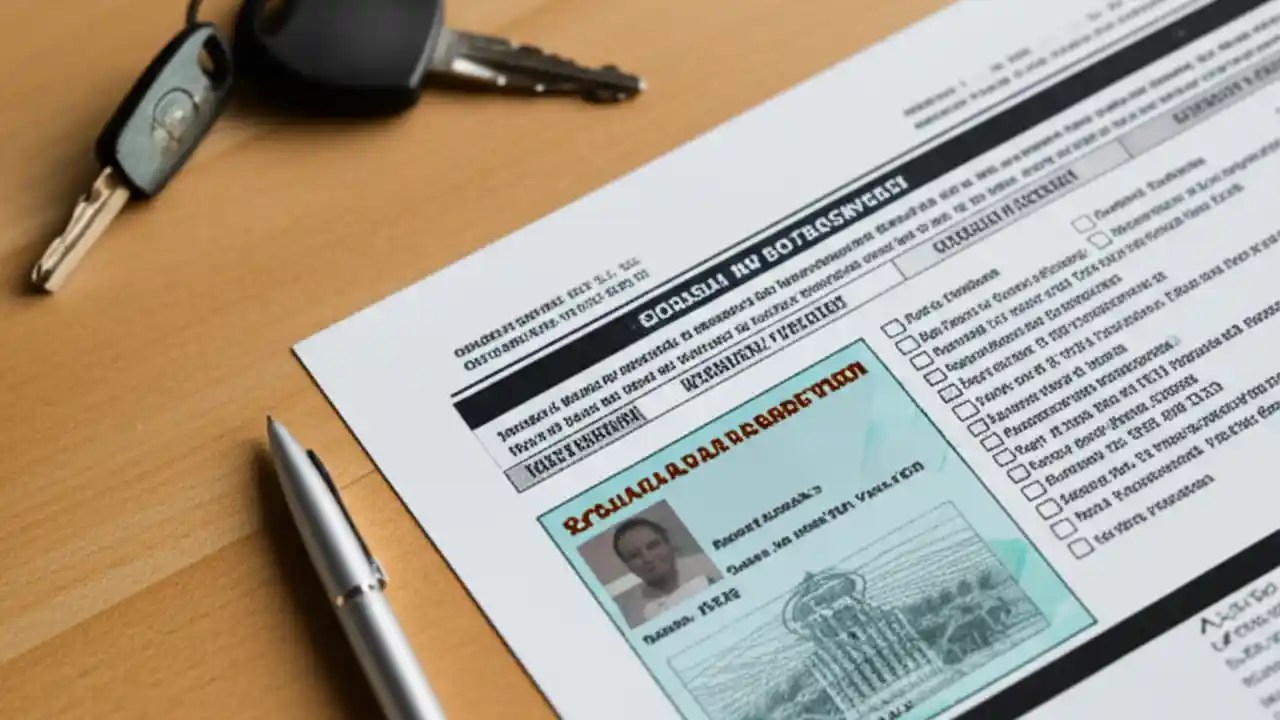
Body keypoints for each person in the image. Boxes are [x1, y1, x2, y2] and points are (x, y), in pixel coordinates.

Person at [612, 517, 716, 622]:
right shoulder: (631, 614)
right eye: (634, 555)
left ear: (669, 543)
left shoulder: (713, 565)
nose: (648, 558)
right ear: (627, 565)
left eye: (653, 546)